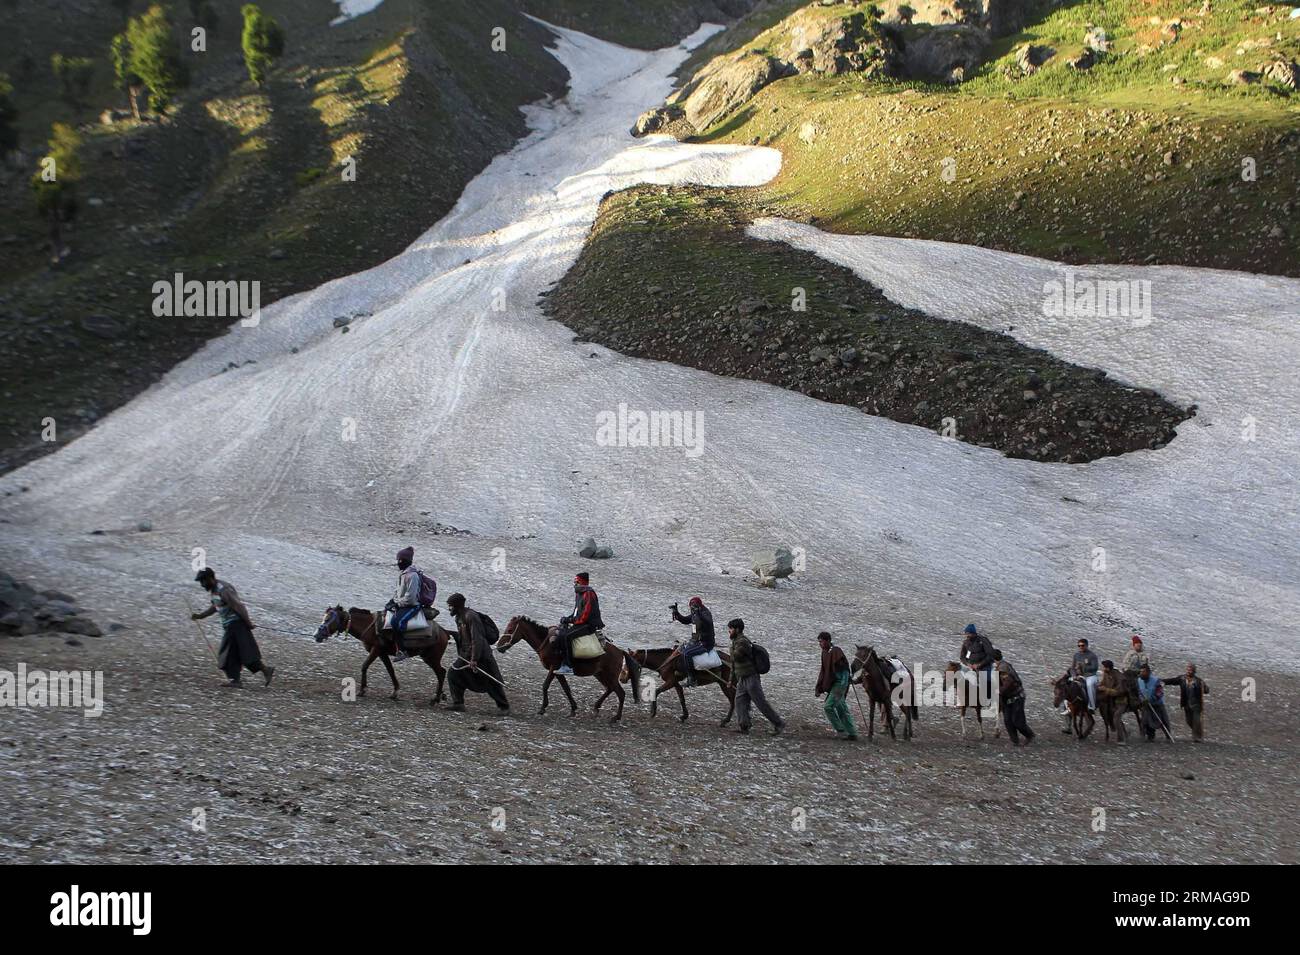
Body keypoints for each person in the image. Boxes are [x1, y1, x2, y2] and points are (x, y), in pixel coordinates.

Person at [191, 567, 274, 688]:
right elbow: (216, 606)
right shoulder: (215, 590)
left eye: (203, 581)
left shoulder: (224, 589)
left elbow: (238, 606)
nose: (202, 585)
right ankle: (264, 671)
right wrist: (201, 616)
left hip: (236, 625)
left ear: (211, 578)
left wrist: (248, 623)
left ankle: (236, 680)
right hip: (231, 626)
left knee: (229, 653)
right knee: (242, 652)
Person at [445, 593, 509, 712]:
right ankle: (458, 703)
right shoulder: (459, 617)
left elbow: (477, 639)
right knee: (453, 674)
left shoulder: (471, 616)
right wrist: (452, 634)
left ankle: (504, 706)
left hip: (481, 655)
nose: (449, 609)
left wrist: (474, 659)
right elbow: (465, 636)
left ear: (457, 605)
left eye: (451, 606)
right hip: (467, 655)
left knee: (491, 681)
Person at [726, 618, 784, 735]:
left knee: (761, 703)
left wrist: (731, 649)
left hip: (751, 678)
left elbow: (736, 657)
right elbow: (734, 665)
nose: (729, 631)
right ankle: (744, 726)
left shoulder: (742, 641)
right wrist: (731, 680)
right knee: (740, 702)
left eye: (731, 629)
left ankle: (778, 723)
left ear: (737, 629)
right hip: (742, 678)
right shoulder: (736, 641)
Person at [555, 571, 603, 676]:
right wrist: (567, 618)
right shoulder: (579, 594)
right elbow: (576, 612)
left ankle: (568, 666)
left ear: (582, 582)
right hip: (581, 622)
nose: (574, 584)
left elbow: (585, 616)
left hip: (589, 624)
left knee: (567, 636)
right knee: (561, 633)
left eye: (576, 581)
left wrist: (571, 621)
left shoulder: (589, 594)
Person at [384, 546, 424, 661]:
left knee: (396, 621)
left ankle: (403, 650)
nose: (398, 563)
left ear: (406, 561)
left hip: (412, 606)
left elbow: (410, 598)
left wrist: (398, 604)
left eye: (400, 561)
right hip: (402, 604)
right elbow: (398, 591)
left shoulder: (413, 576)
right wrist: (393, 601)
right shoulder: (402, 574)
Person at [815, 631, 856, 741]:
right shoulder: (824, 653)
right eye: (819, 642)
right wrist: (819, 686)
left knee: (828, 707)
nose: (820, 644)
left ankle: (841, 730)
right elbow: (824, 671)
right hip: (833, 684)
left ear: (828, 641)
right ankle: (852, 733)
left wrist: (843, 686)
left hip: (839, 684)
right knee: (841, 707)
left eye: (821, 642)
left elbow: (845, 670)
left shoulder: (836, 651)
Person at [670, 596, 715, 686]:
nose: (691, 608)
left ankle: (692, 678)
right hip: (695, 641)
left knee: (687, 654)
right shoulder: (695, 613)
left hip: (705, 643)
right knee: (679, 650)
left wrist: (699, 613)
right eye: (691, 606)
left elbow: (708, 622)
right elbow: (685, 620)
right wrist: (677, 613)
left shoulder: (705, 613)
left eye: (693, 606)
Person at [994, 651, 1033, 746]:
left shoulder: (1003, 668)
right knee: (1008, 720)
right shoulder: (999, 667)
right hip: (1007, 698)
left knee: (1017, 720)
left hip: (1016, 697)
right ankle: (1015, 741)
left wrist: (999, 691)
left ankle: (1029, 735)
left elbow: (1008, 682)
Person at [1162, 663, 1208, 742]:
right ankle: (1198, 733)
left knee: (1196, 721)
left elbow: (1206, 691)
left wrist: (1205, 687)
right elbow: (1172, 680)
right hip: (1186, 704)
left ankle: (1197, 737)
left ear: (1194, 671)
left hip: (1196, 705)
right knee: (1189, 721)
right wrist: (1162, 681)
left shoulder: (1198, 681)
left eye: (1190, 670)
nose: (1188, 671)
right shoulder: (1182, 679)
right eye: (1187, 670)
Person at [959, 623, 995, 710]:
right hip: (970, 666)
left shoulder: (983, 641)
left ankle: (989, 700)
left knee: (986, 679)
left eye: (969, 633)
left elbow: (990, 654)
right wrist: (967, 664)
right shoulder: (966, 643)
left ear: (974, 633)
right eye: (966, 633)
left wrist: (980, 664)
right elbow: (962, 656)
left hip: (984, 665)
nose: (967, 635)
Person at [1135, 664, 1171, 742]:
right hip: (1146, 704)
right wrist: (1141, 699)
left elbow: (1160, 692)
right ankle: (1149, 736)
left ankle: (1168, 736)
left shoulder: (1156, 680)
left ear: (1148, 672)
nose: (1141, 673)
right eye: (1140, 672)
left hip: (1157, 704)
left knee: (1164, 720)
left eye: (1143, 672)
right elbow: (1139, 691)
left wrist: (1151, 699)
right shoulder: (1139, 680)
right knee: (1146, 720)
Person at [1096, 659, 1129, 743]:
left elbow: (1120, 691)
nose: (1103, 669)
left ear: (1108, 668)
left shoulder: (1120, 677)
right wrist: (1099, 686)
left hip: (1121, 701)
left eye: (1104, 667)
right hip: (1111, 700)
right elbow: (1103, 682)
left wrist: (1106, 689)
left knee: (1117, 718)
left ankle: (1121, 739)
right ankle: (1125, 733)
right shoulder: (1106, 674)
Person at [1072, 638, 1100, 710]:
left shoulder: (1092, 655)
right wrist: (1074, 675)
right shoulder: (1076, 655)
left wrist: (1083, 666)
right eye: (1079, 645)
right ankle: (1067, 706)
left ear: (1086, 645)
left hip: (1090, 675)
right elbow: (1073, 667)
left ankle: (1091, 706)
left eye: (1082, 645)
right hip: (1079, 676)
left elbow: (1095, 667)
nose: (1081, 647)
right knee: (1066, 684)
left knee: (1089, 685)